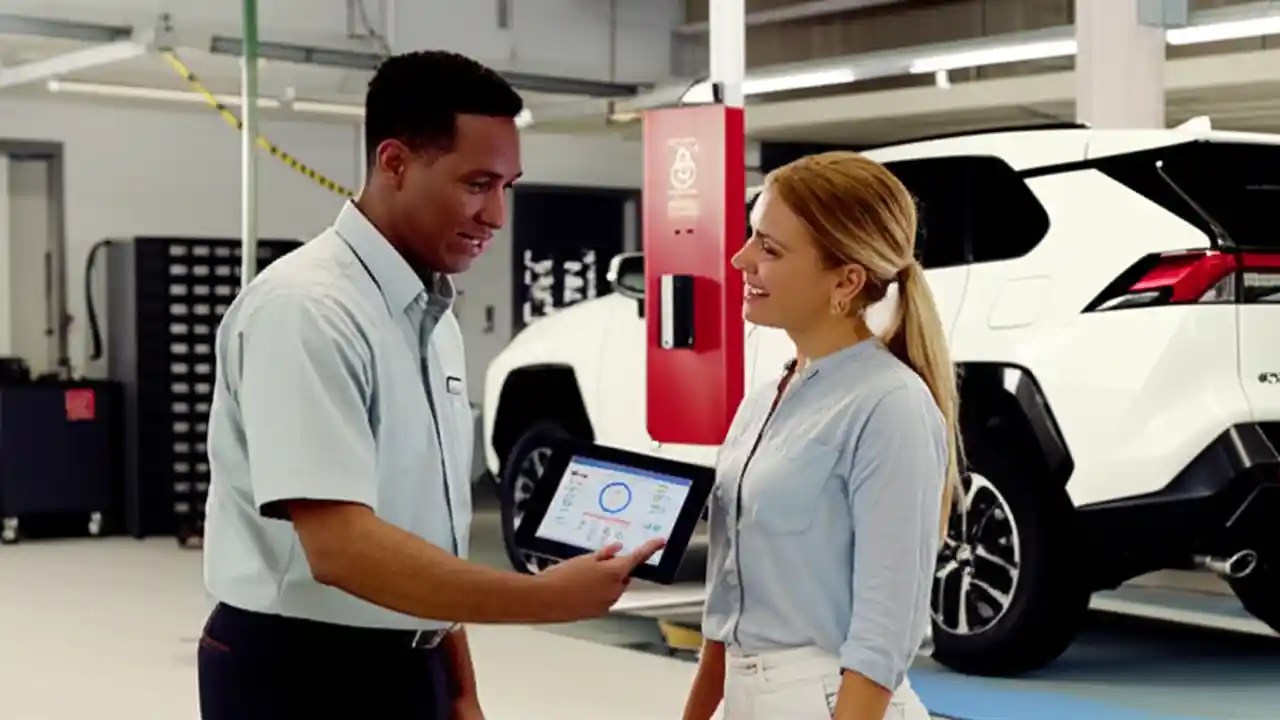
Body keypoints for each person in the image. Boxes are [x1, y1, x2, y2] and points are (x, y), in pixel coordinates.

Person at [196, 50, 663, 720]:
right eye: (477, 183)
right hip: (299, 672)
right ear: (394, 163)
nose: (497, 215)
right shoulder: (307, 311)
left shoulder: (432, 314)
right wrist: (541, 599)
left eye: (509, 186)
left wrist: (460, 688)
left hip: (412, 658)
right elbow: (341, 548)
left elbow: (428, 528)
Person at [680, 151, 959, 720]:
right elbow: (725, 604)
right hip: (747, 695)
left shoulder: (890, 406)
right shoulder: (764, 402)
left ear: (846, 280)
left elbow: (884, 636)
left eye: (770, 249)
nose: (741, 259)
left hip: (833, 703)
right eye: (752, 236)